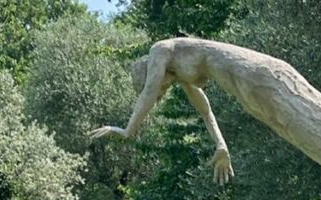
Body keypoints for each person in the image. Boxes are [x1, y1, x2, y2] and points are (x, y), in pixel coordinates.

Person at [90, 43, 235, 184]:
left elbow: (149, 93)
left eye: (160, 89)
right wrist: (221, 144)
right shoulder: (182, 75)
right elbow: (206, 112)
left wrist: (127, 131)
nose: (161, 94)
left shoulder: (159, 50)